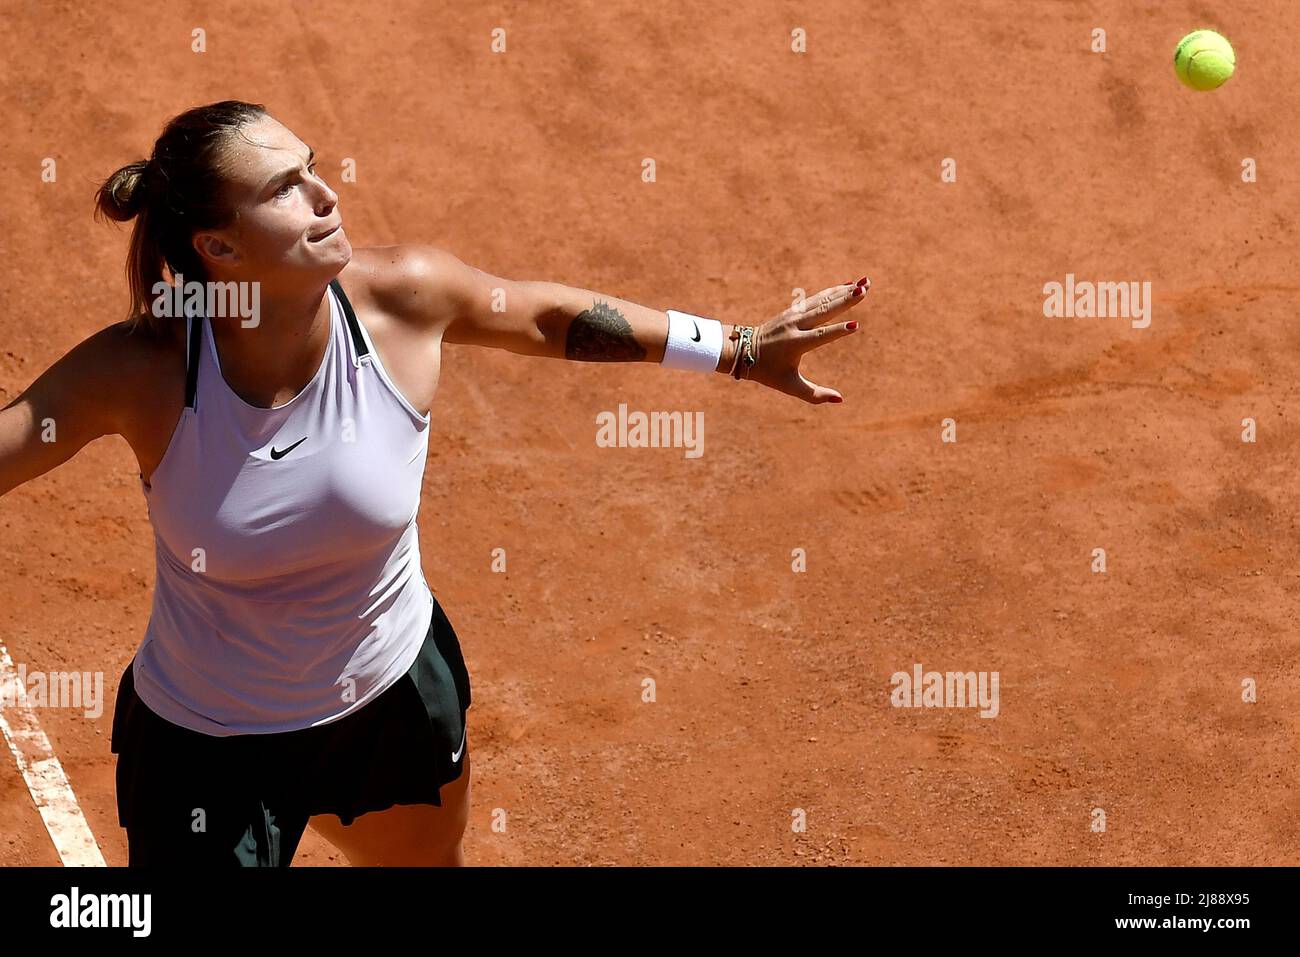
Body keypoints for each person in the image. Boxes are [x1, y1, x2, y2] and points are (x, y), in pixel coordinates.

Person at [0, 99, 870, 866]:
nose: (326, 195)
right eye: (284, 189)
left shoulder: (399, 301)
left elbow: (543, 314)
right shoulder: (146, 370)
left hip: (391, 706)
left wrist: (739, 348)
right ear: (218, 246)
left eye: (314, 169)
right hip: (209, 747)